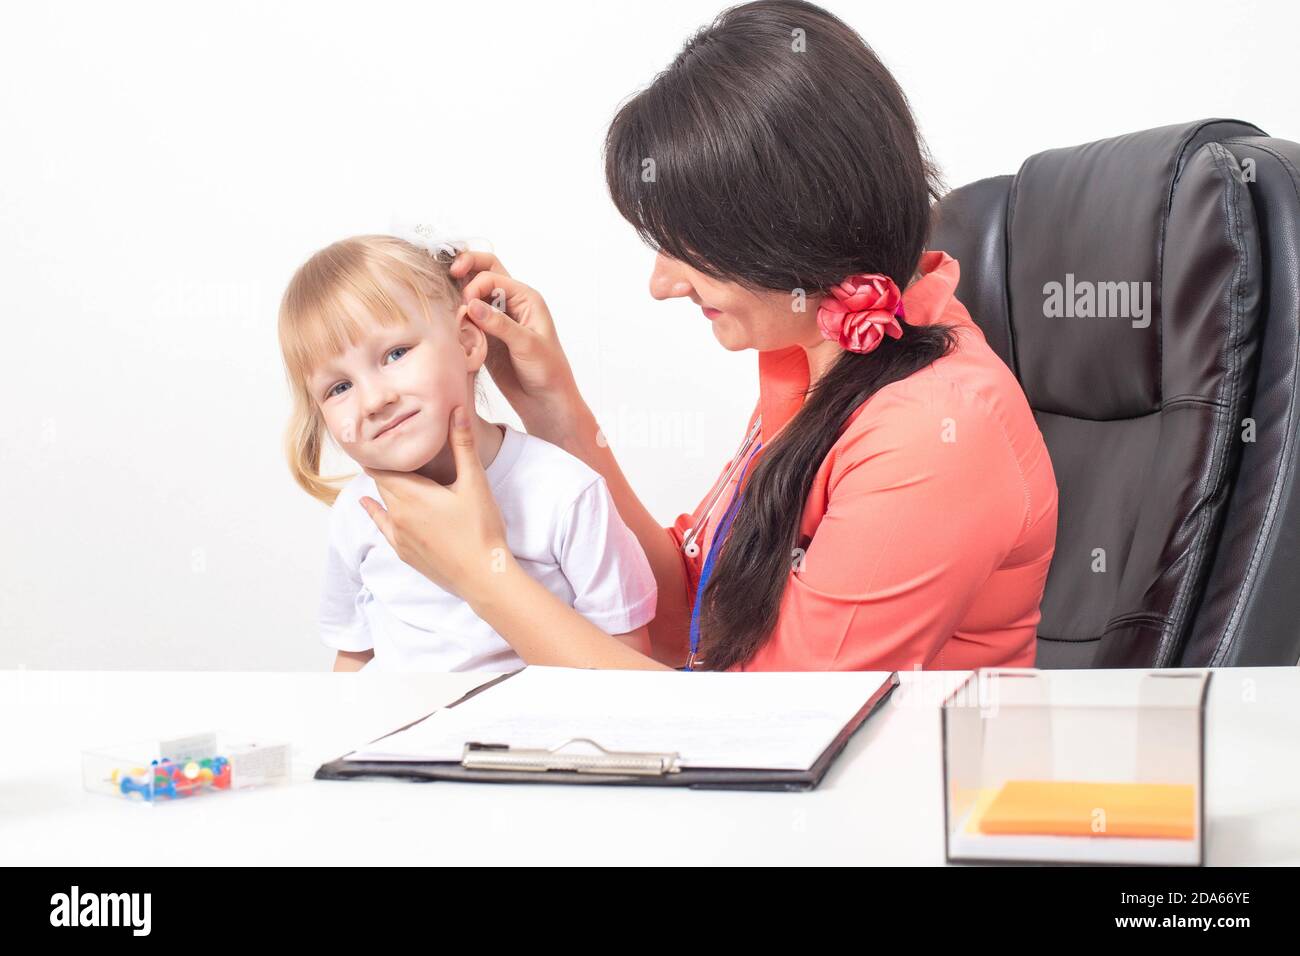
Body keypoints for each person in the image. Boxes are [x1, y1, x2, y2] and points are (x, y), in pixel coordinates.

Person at [358, 0, 1059, 673]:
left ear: (789, 225)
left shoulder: (933, 431)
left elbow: (769, 735)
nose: (663, 283)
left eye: (686, 248)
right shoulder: (815, 354)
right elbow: (692, 615)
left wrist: (485, 579)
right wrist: (551, 403)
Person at [277, 234, 657, 671]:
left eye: (396, 354)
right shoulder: (357, 513)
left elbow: (629, 667)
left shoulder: (567, 494)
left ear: (468, 343)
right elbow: (354, 656)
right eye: (339, 387)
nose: (373, 400)